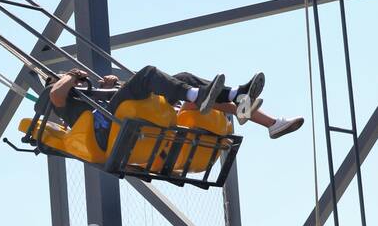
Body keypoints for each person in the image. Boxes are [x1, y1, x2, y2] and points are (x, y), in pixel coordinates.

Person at [48, 67, 302, 144]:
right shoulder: (64, 102)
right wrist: (69, 76)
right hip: (105, 131)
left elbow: (106, 102)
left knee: (183, 79)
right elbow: (56, 95)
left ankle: (254, 109)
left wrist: (106, 85)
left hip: (117, 120)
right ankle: (199, 96)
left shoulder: (87, 97)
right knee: (147, 74)